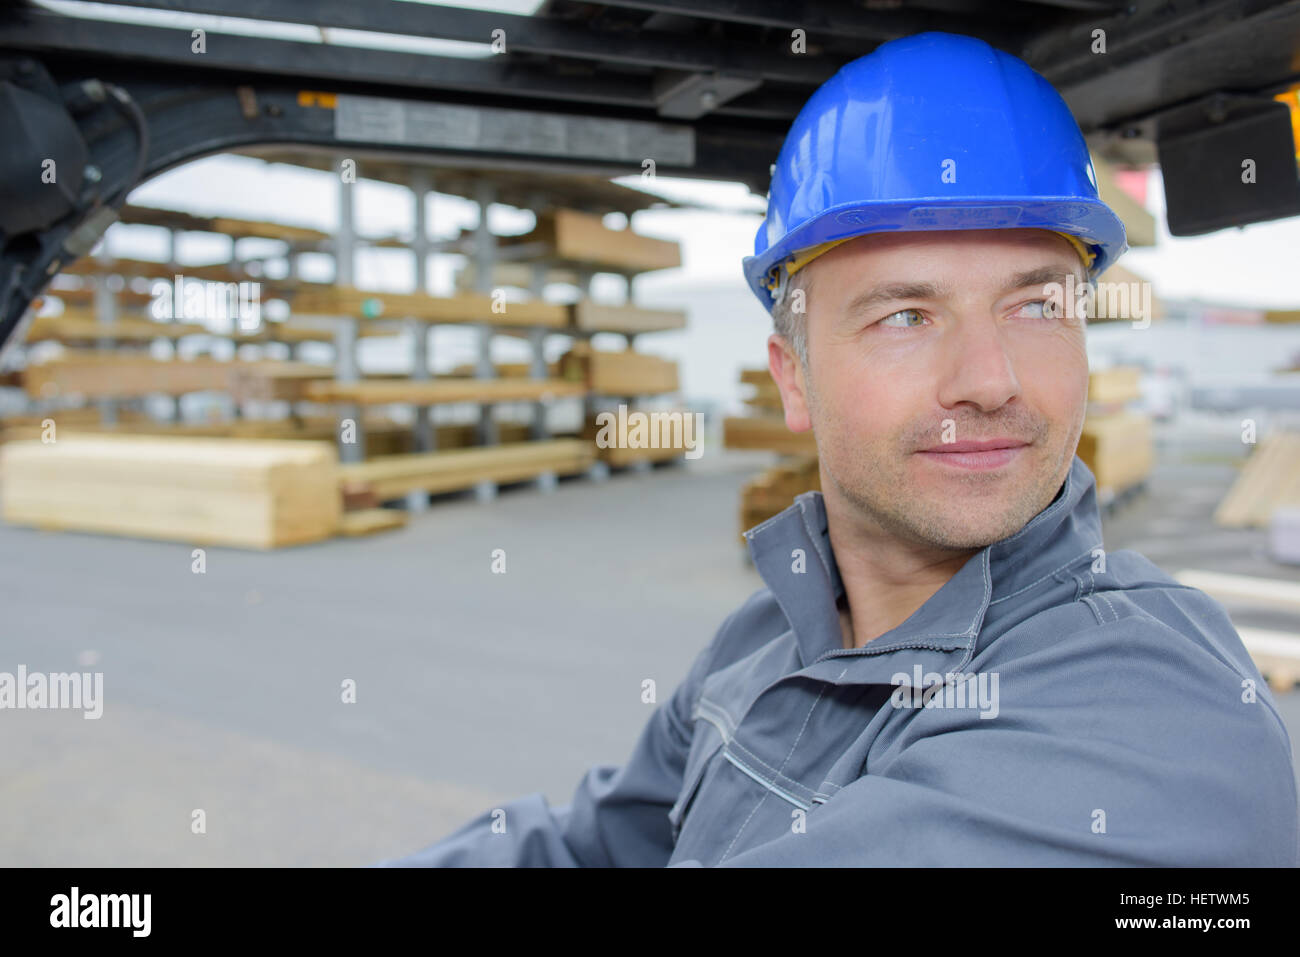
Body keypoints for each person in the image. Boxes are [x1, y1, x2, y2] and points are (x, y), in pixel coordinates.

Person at [378, 30, 1299, 867]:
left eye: (1036, 305)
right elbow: (593, 846)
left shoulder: (1150, 713)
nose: (990, 379)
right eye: (906, 313)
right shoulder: (768, 638)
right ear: (793, 376)